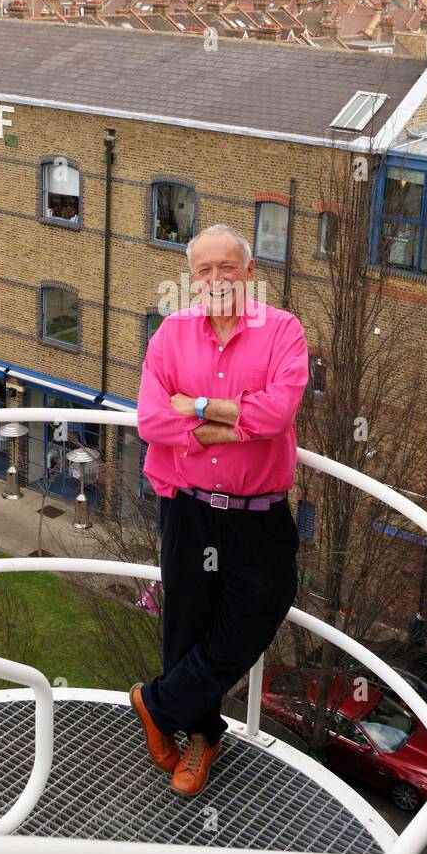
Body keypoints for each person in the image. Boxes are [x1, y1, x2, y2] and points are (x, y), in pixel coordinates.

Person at [130, 224, 309, 796]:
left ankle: (157, 705)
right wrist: (227, 427)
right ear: (192, 276)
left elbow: (277, 415)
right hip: (189, 509)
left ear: (249, 271)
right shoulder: (171, 335)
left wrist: (200, 407)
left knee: (263, 605)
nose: (215, 279)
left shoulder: (283, 332)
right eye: (203, 269)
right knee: (185, 625)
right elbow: (152, 421)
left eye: (227, 267)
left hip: (258, 515)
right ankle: (203, 739)